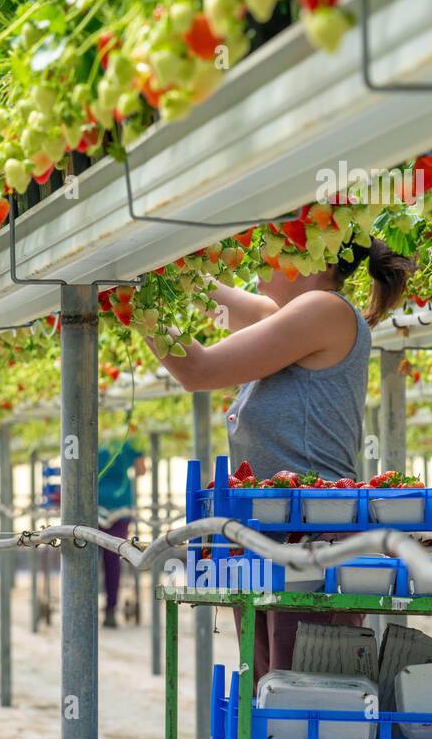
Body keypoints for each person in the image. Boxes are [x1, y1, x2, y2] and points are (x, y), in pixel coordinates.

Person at [149, 235, 414, 679]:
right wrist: (156, 268)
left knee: (301, 699)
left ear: (311, 253)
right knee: (273, 695)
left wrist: (140, 310)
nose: (259, 252)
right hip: (274, 536)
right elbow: (210, 295)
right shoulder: (291, 316)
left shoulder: (324, 311)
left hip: (312, 539)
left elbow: (198, 369)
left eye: (273, 240)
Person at [97, 438, 147, 627]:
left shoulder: (90, 433)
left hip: (93, 505)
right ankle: (110, 611)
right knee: (113, 560)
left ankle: (84, 608)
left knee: (88, 559)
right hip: (120, 508)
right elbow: (141, 470)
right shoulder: (128, 439)